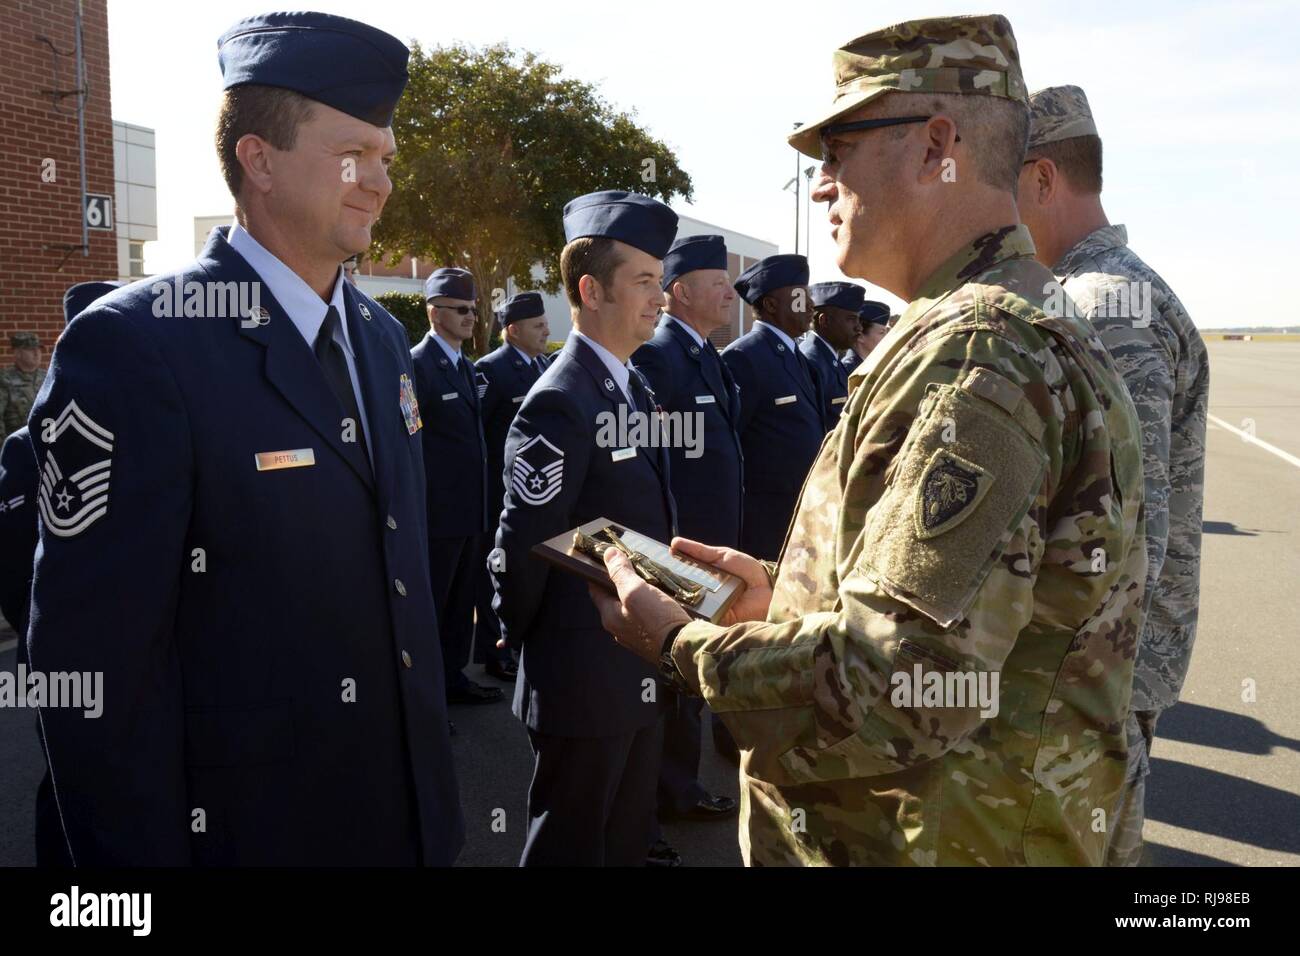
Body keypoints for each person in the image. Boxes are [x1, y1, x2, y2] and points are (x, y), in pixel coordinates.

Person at [589, 13, 1147, 867]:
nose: (820, 186)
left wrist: (683, 644)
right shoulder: (990, 326)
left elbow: (899, 684)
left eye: (838, 150)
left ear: (934, 148)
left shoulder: (980, 355)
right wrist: (780, 599)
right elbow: (964, 609)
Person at [24, 11, 463, 866]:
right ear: (258, 159)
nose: (379, 181)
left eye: (385, 158)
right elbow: (94, 672)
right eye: (352, 155)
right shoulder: (140, 345)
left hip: (401, 824)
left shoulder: (378, 339)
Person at [1017, 84, 1208, 866]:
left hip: (1089, 686)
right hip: (1103, 679)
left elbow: (1134, 522)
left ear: (1039, 180)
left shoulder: (1104, 304)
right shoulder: (1111, 288)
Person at [492, 190, 678, 866]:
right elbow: (526, 542)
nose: (661, 297)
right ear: (592, 289)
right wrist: (519, 633)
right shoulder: (559, 404)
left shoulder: (634, 388)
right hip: (582, 671)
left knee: (625, 841)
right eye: (645, 282)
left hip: (635, 661)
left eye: (661, 281)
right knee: (571, 845)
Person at [631, 234, 742, 836]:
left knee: (693, 674)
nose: (730, 291)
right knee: (675, 676)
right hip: (681, 547)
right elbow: (655, 463)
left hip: (714, 544)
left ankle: (679, 784)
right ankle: (671, 792)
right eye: (716, 281)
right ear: (681, 292)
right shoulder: (660, 357)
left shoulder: (704, 353)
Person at [411, 267, 501, 706]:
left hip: (471, 511)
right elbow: (406, 441)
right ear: (434, 313)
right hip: (436, 514)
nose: (471, 316)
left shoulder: (464, 366)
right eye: (461, 309)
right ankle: (425, 696)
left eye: (474, 309)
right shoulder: (416, 365)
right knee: (431, 608)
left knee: (460, 604)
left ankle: (451, 679)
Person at [721, 254, 824, 561]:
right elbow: (733, 442)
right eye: (799, 296)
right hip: (766, 522)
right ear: (770, 304)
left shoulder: (797, 357)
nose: (809, 305)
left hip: (799, 512)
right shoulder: (744, 357)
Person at [473, 291, 549, 683]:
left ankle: (516, 643)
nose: (547, 331)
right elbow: (478, 435)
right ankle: (493, 651)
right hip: (498, 493)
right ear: (514, 331)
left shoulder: (545, 367)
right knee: (496, 568)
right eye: (538, 326)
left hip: (536, 492)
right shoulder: (490, 370)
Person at [800, 281, 864, 427]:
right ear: (824, 320)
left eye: (858, 320)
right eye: (851, 319)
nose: (859, 328)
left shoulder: (829, 358)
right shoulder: (810, 361)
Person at [1, 332, 46, 444]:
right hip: (17, 444)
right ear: (17, 353)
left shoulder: (48, 377)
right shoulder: (4, 380)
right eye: (30, 349)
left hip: (46, 444)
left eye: (38, 348)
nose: (36, 353)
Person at [841, 300, 890, 373]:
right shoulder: (847, 370)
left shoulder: (874, 364)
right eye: (882, 332)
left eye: (887, 332)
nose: (887, 337)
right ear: (860, 336)